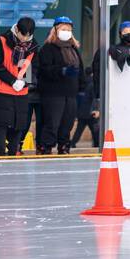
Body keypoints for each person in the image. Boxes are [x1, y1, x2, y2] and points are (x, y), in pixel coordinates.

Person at [35, 16, 85, 155]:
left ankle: (64, 146)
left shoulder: (74, 49)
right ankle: (46, 147)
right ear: (55, 30)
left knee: (67, 124)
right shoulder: (48, 49)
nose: (66, 31)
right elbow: (43, 70)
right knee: (52, 123)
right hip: (53, 93)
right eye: (63, 29)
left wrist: (82, 89)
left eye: (68, 29)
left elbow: (80, 70)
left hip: (70, 93)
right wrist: (61, 71)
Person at [0, 17, 37, 157]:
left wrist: (25, 82)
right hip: (1, 90)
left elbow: (32, 66)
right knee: (1, 125)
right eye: (23, 35)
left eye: (28, 36)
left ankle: (12, 154)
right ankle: (0, 155)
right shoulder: (2, 41)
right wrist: (12, 81)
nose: (25, 39)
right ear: (17, 30)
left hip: (21, 92)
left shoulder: (32, 45)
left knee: (18, 126)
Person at [71, 51, 102, 150]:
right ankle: (97, 144)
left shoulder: (86, 82)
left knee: (80, 130)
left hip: (83, 111)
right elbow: (94, 98)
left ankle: (73, 143)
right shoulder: (93, 84)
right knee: (94, 130)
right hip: (89, 111)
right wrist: (96, 109)